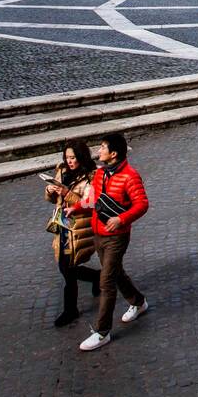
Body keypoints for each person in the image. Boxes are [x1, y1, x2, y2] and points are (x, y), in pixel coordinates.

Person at [77, 132, 149, 352]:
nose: (98, 151)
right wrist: (77, 207)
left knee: (106, 281)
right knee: (116, 273)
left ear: (114, 154)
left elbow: (142, 204)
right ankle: (138, 302)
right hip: (99, 232)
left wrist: (121, 219)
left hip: (117, 236)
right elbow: (95, 200)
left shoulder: (130, 176)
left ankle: (101, 332)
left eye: (102, 147)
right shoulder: (100, 175)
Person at [44, 139, 100, 326]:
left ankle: (71, 310)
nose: (69, 161)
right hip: (62, 226)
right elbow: (53, 199)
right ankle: (97, 277)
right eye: (67, 157)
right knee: (65, 266)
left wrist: (67, 192)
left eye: (73, 158)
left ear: (81, 157)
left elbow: (90, 203)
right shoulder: (62, 170)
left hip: (78, 227)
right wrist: (51, 190)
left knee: (68, 270)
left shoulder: (92, 176)